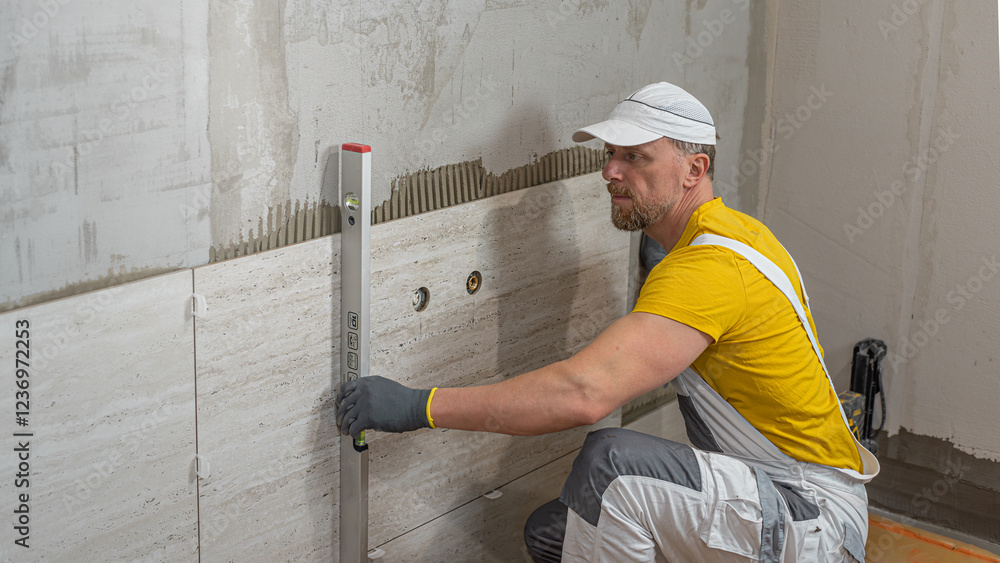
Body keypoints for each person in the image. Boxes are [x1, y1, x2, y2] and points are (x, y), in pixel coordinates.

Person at [336, 82, 879, 562]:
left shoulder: (709, 269)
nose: (610, 171)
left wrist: (419, 406)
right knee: (556, 534)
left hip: (808, 521)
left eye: (635, 157)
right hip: (785, 503)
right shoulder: (731, 234)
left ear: (695, 170)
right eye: (611, 154)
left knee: (610, 466)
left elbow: (583, 393)